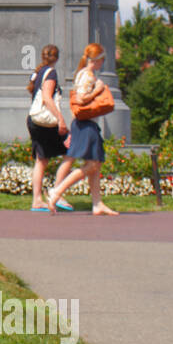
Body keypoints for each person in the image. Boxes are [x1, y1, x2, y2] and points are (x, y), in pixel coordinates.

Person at [47, 42, 118, 215]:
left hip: (84, 124)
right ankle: (57, 191)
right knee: (93, 164)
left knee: (95, 164)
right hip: (86, 125)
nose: (103, 63)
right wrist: (98, 90)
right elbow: (80, 99)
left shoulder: (82, 74)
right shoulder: (87, 76)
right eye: (103, 59)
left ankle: (97, 203)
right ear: (97, 59)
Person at [26, 45, 74, 212]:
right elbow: (47, 98)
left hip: (35, 121)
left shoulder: (39, 72)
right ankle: (56, 193)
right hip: (46, 122)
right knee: (70, 151)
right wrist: (61, 119)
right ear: (57, 58)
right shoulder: (51, 73)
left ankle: (38, 199)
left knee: (41, 160)